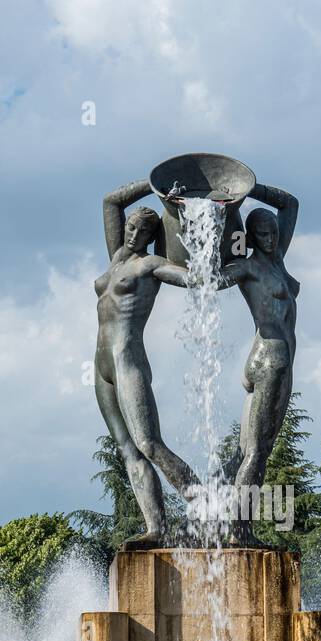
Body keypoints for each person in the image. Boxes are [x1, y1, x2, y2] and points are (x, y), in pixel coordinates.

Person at [94, 179, 197, 548]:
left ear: (152, 236)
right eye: (131, 227)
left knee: (149, 442)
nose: (134, 233)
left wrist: (186, 220)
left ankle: (204, 504)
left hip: (128, 360)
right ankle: (157, 529)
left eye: (143, 230)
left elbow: (192, 280)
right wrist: (153, 186)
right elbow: (111, 200)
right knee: (128, 449)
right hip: (102, 366)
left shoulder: (151, 264)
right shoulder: (117, 258)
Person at [221, 182, 299, 539]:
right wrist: (229, 207)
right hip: (271, 360)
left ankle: (208, 516)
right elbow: (215, 279)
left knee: (246, 451)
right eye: (262, 234)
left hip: (274, 362)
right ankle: (240, 529)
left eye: (272, 232)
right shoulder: (249, 267)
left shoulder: (277, 260)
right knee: (256, 452)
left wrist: (248, 188)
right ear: (250, 237)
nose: (270, 238)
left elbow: (290, 204)